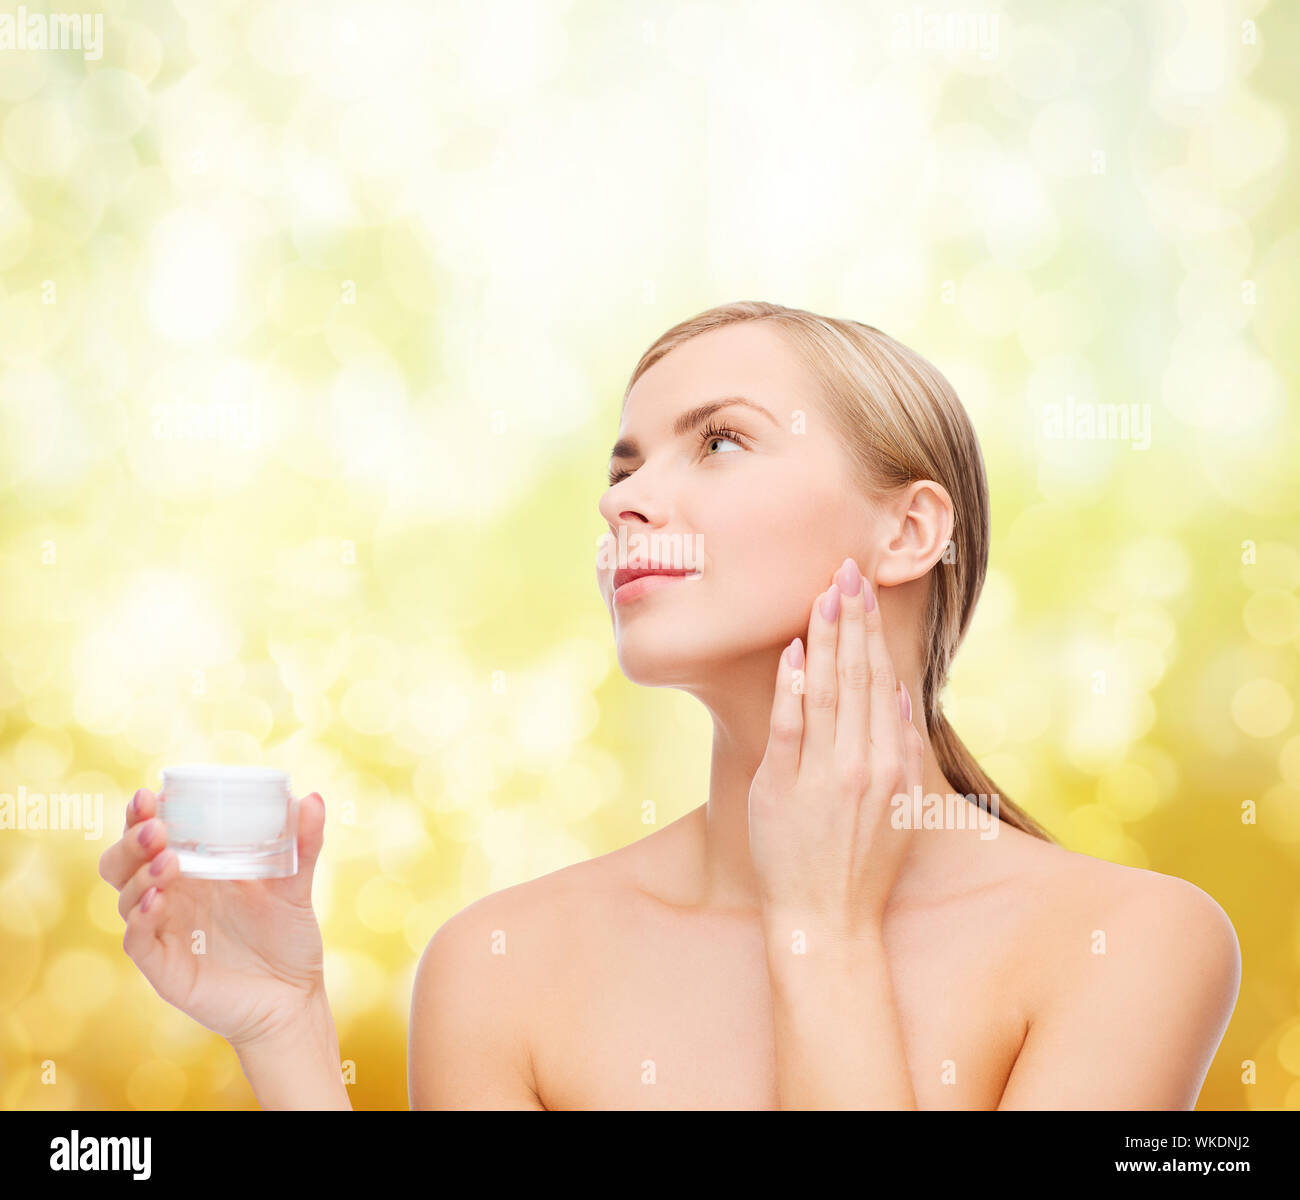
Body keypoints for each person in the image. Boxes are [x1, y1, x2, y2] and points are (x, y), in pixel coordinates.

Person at [100, 301, 1240, 1109]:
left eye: (721, 441)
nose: (629, 503)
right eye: (625, 467)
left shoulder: (1132, 946)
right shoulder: (501, 963)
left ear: (908, 531)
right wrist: (285, 1027)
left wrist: (822, 933)